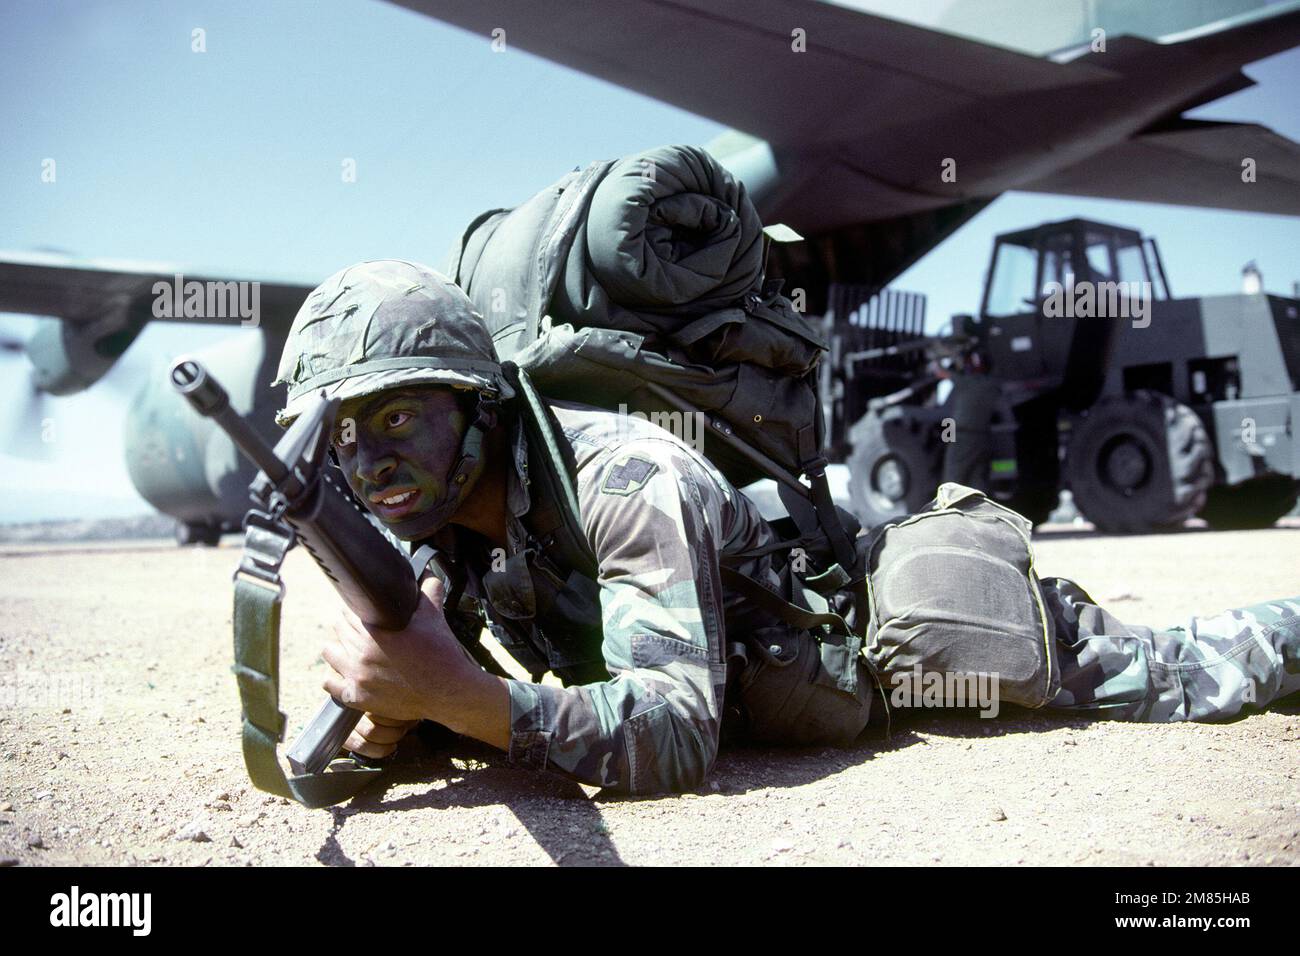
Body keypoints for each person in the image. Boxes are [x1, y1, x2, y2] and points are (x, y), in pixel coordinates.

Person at [273, 259, 1300, 796]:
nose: (368, 459)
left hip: (898, 635)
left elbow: (676, 735)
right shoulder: (444, 520)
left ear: (480, 409)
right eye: (347, 432)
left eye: (399, 415)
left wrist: (472, 697)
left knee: (1172, 668)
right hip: (775, 679)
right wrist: (392, 718)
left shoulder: (626, 477)